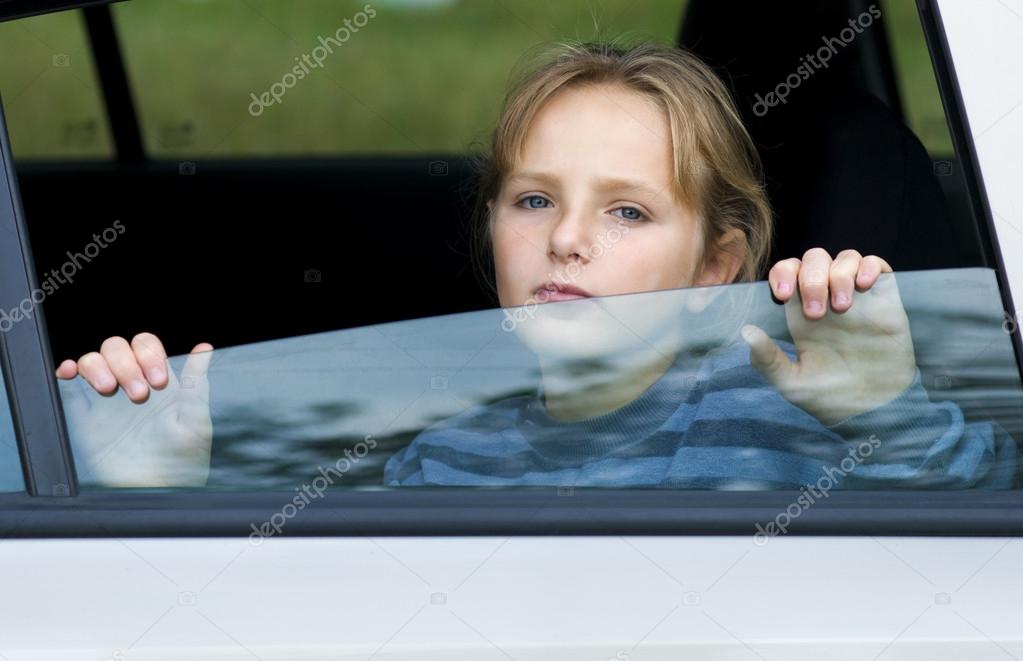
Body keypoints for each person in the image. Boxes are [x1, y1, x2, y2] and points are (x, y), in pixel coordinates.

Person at [55, 42, 1018, 489]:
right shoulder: (441, 462)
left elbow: (988, 516)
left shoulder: (788, 427)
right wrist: (153, 500)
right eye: (533, 199)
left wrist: (887, 421)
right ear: (492, 226)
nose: (566, 237)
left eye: (628, 211)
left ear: (720, 263)